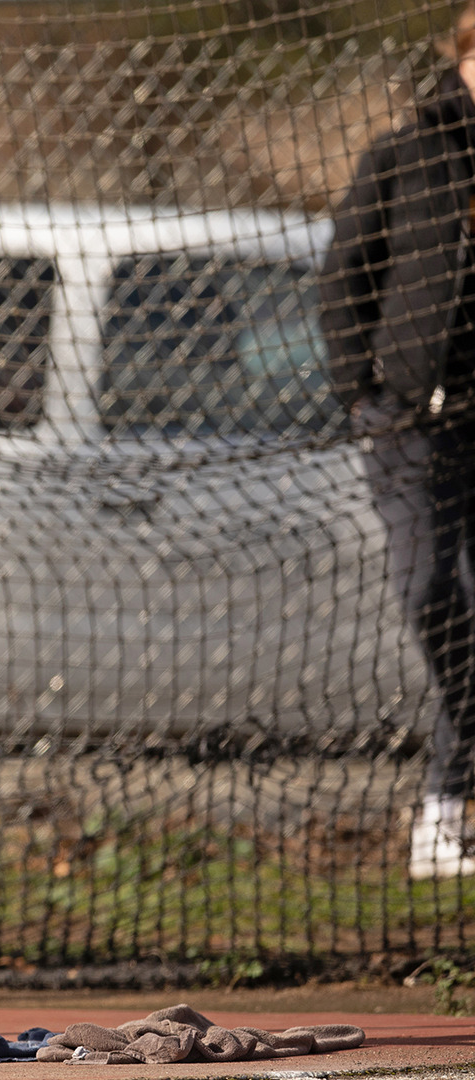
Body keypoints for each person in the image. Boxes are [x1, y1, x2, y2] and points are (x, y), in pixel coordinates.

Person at [321, 6, 475, 880]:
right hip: (411, 427)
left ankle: (444, 812)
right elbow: (345, 276)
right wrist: (363, 396)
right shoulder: (405, 152)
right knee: (430, 597)